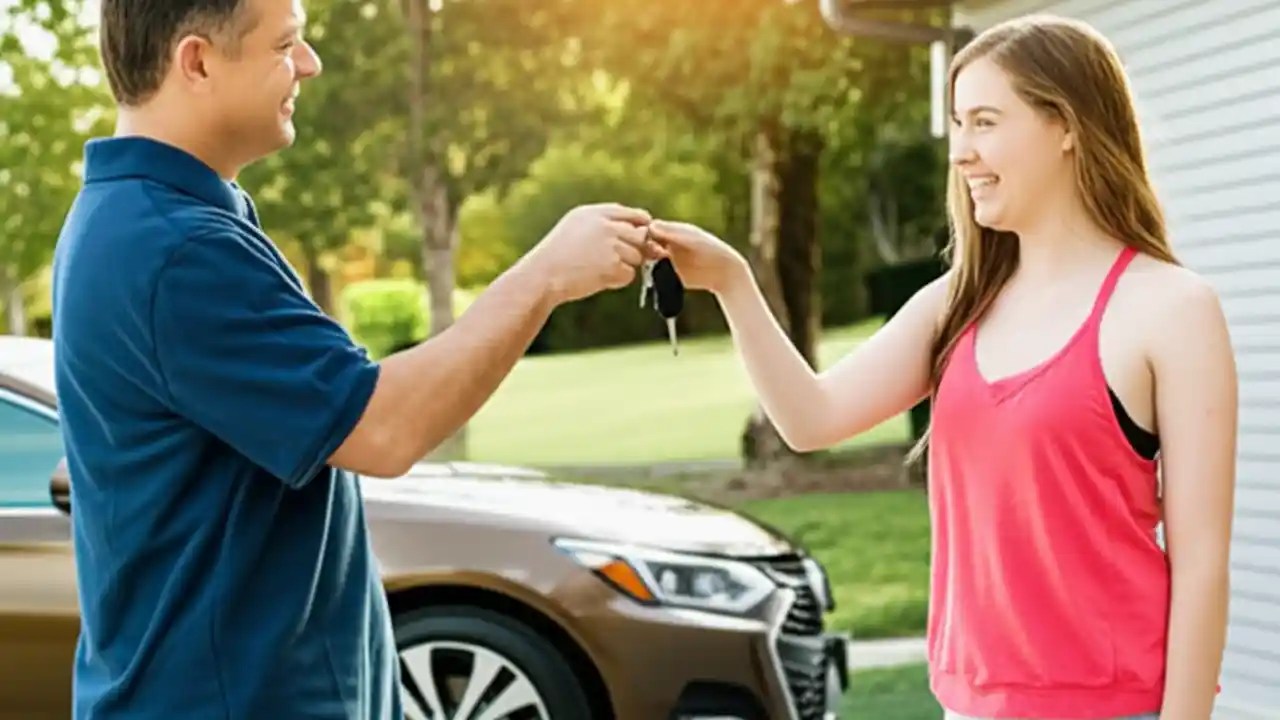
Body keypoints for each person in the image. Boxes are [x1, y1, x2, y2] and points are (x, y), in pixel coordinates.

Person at [51, 0, 656, 717]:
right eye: (286, 45)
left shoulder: (148, 220)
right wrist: (544, 277)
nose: (309, 64)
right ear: (198, 62)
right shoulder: (174, 248)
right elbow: (382, 426)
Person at [648, 14, 1236, 720]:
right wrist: (733, 284)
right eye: (957, 124)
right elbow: (810, 419)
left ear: (1068, 126)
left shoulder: (1170, 308)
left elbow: (1201, 563)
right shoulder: (955, 303)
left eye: (986, 122)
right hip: (968, 705)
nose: (962, 152)